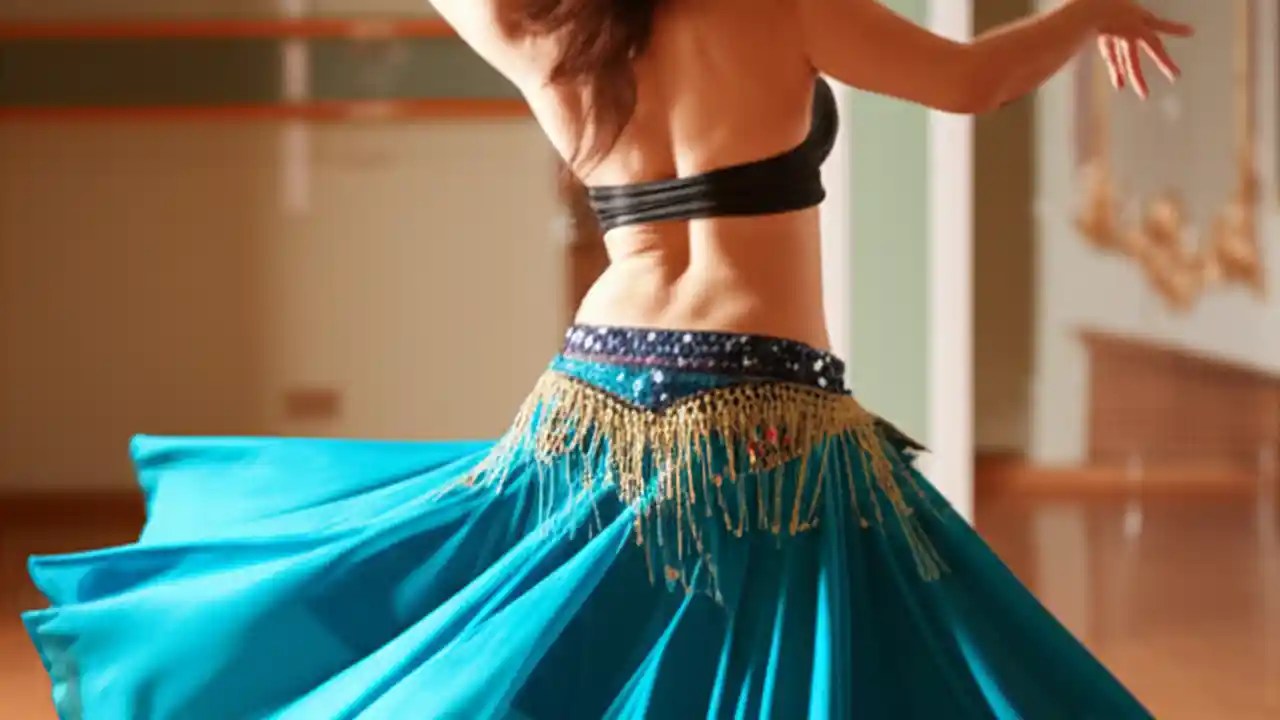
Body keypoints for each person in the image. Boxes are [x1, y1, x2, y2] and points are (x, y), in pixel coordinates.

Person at [22, 0, 1192, 718]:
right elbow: (971, 79)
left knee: (580, 645)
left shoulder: (541, 23)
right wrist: (1082, 12)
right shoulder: (775, 4)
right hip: (759, 406)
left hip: (592, 387)